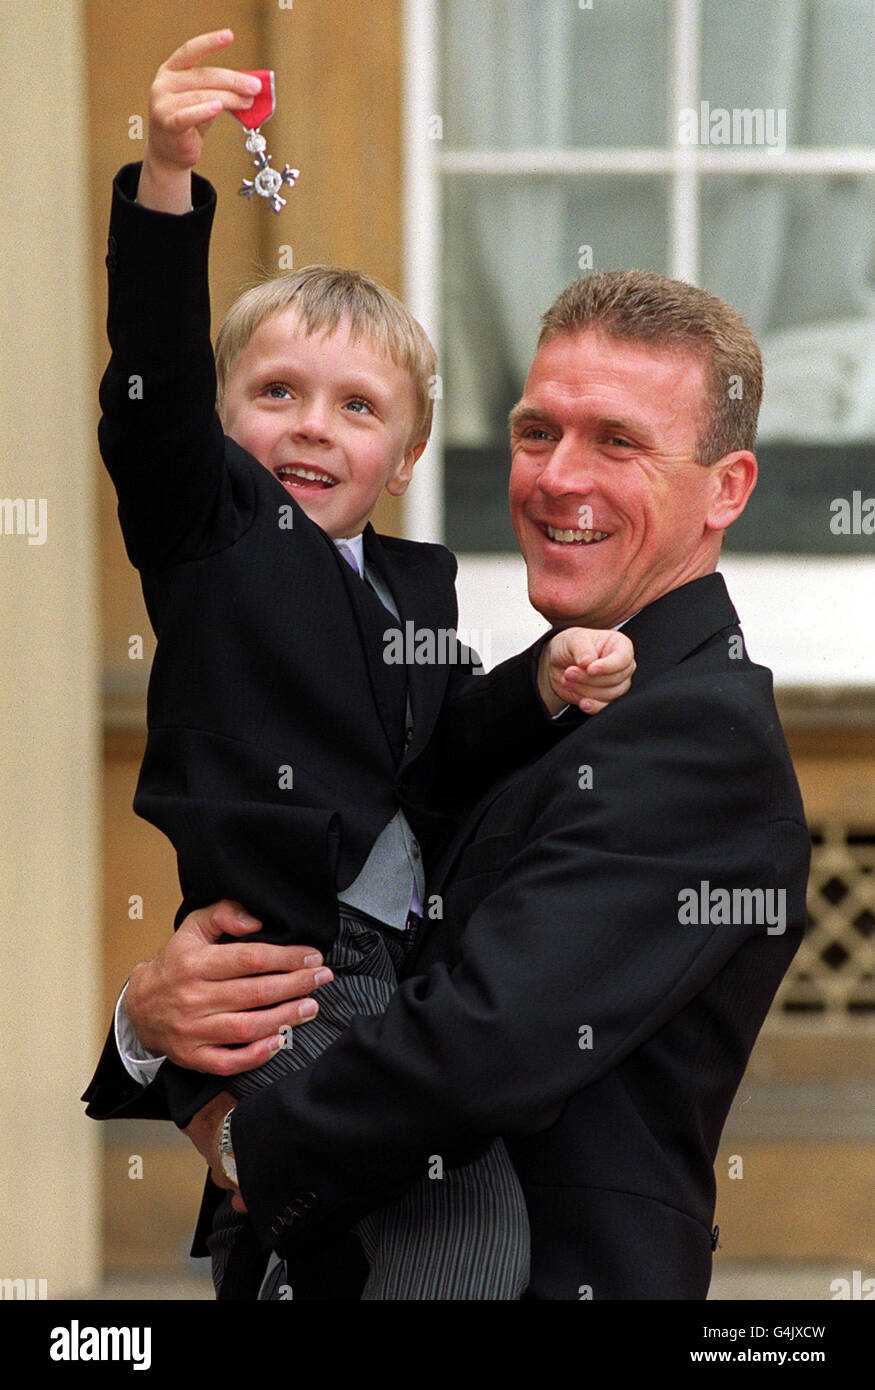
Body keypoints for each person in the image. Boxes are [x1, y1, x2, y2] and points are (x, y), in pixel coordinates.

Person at [109, 257, 812, 1300]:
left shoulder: (696, 735)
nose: (555, 478)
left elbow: (483, 1039)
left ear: (727, 488)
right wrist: (149, 1024)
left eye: (615, 441)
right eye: (536, 433)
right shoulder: (515, 702)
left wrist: (248, 1141)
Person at [81, 29, 636, 1301]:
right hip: (279, 965)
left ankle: (279, 1240)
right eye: (274, 393)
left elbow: (438, 762)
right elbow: (149, 381)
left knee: (481, 1239)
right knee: (390, 1229)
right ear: (223, 421)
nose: (310, 427)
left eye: (355, 407)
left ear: (404, 450)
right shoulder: (209, 528)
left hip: (400, 975)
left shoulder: (417, 583)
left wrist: (552, 677)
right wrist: (168, 174)